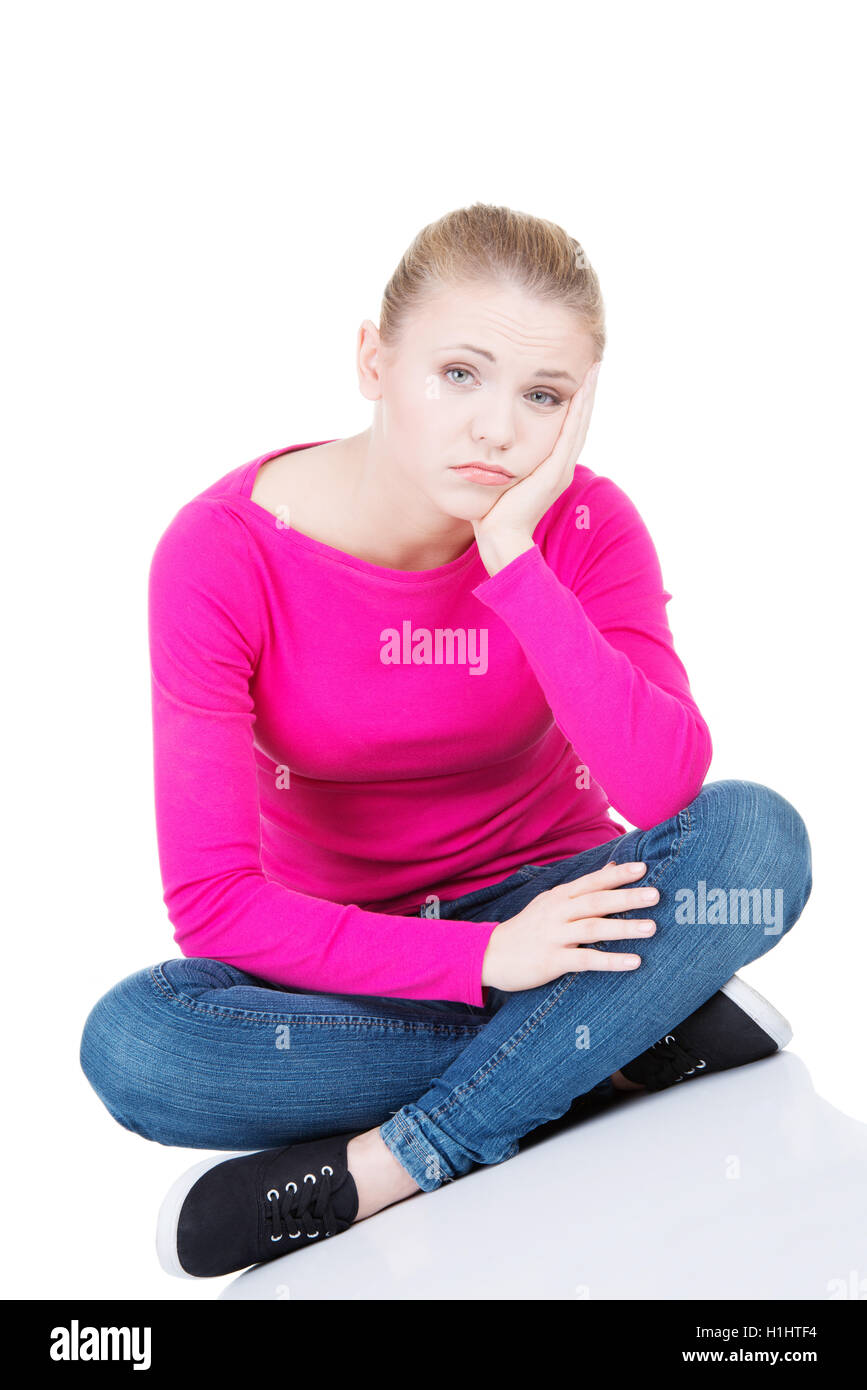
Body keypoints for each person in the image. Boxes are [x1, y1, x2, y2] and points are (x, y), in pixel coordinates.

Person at [79, 202, 812, 1280]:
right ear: (374, 359)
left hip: (569, 911)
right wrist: (480, 959)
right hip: (346, 961)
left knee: (758, 839)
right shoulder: (220, 554)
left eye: (544, 396)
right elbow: (217, 905)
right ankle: (614, 1043)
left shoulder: (583, 527)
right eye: (459, 375)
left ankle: (412, 1152)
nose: (500, 431)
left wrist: (514, 559)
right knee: (139, 1046)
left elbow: (663, 789)